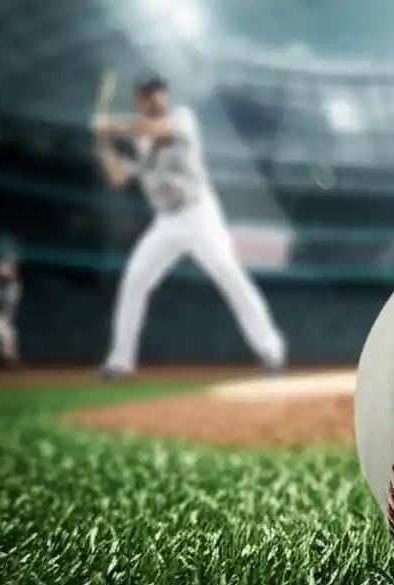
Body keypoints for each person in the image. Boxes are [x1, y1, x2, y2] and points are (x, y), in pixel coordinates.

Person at [91, 71, 286, 379]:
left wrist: (109, 125)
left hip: (200, 216)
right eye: (148, 92)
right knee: (134, 281)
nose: (156, 96)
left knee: (230, 276)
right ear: (139, 99)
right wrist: (103, 144)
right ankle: (120, 362)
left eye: (159, 90)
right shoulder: (139, 141)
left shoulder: (182, 118)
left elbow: (155, 129)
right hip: (166, 222)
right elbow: (117, 176)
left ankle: (272, 351)